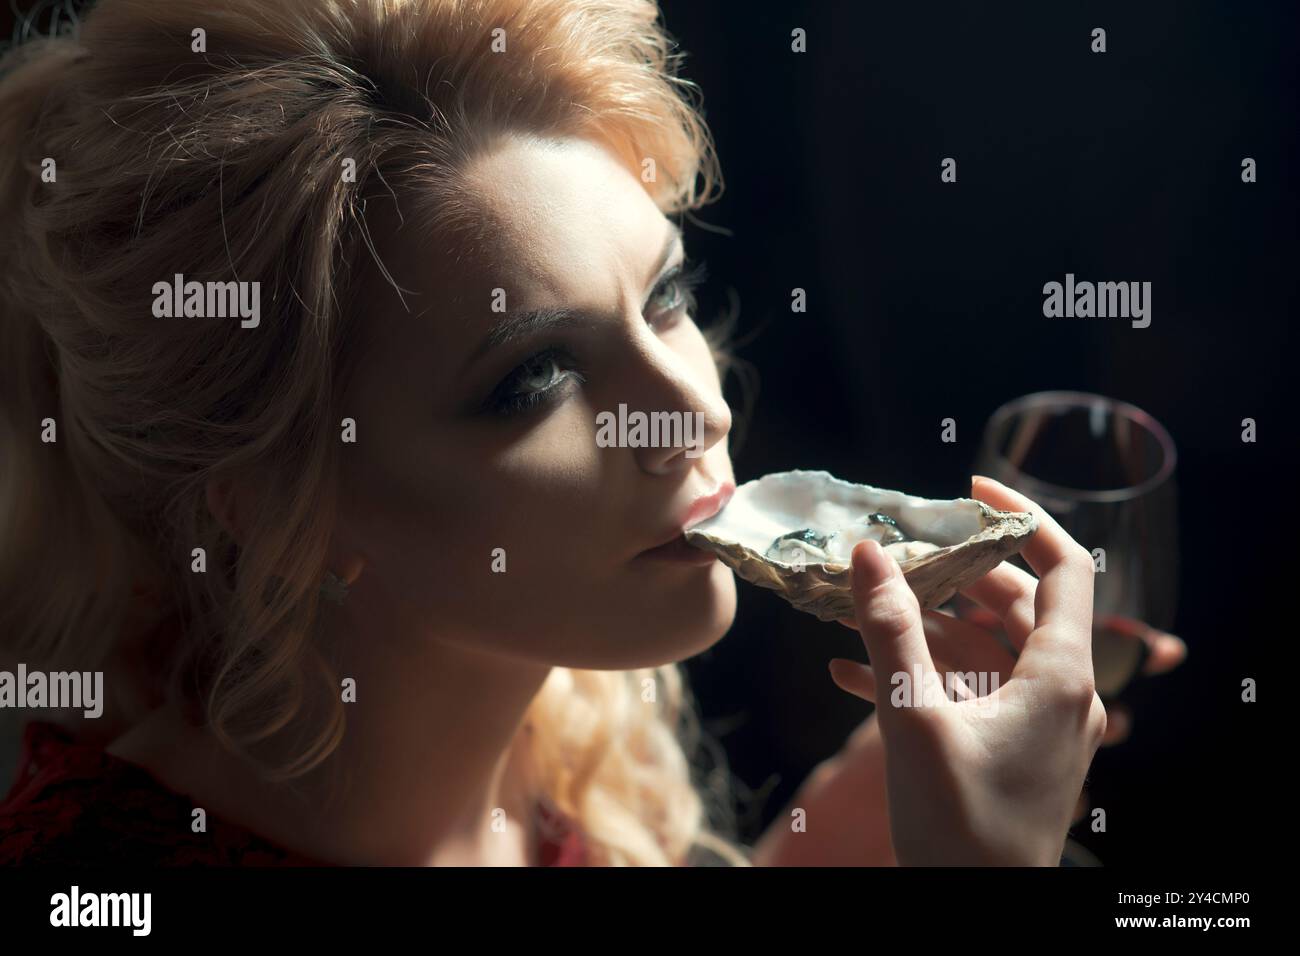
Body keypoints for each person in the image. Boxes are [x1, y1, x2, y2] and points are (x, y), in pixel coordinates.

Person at [0, 0, 1184, 867]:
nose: (699, 410)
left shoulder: (556, 720)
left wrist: (860, 813)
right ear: (268, 501)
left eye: (664, 296)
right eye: (536, 374)